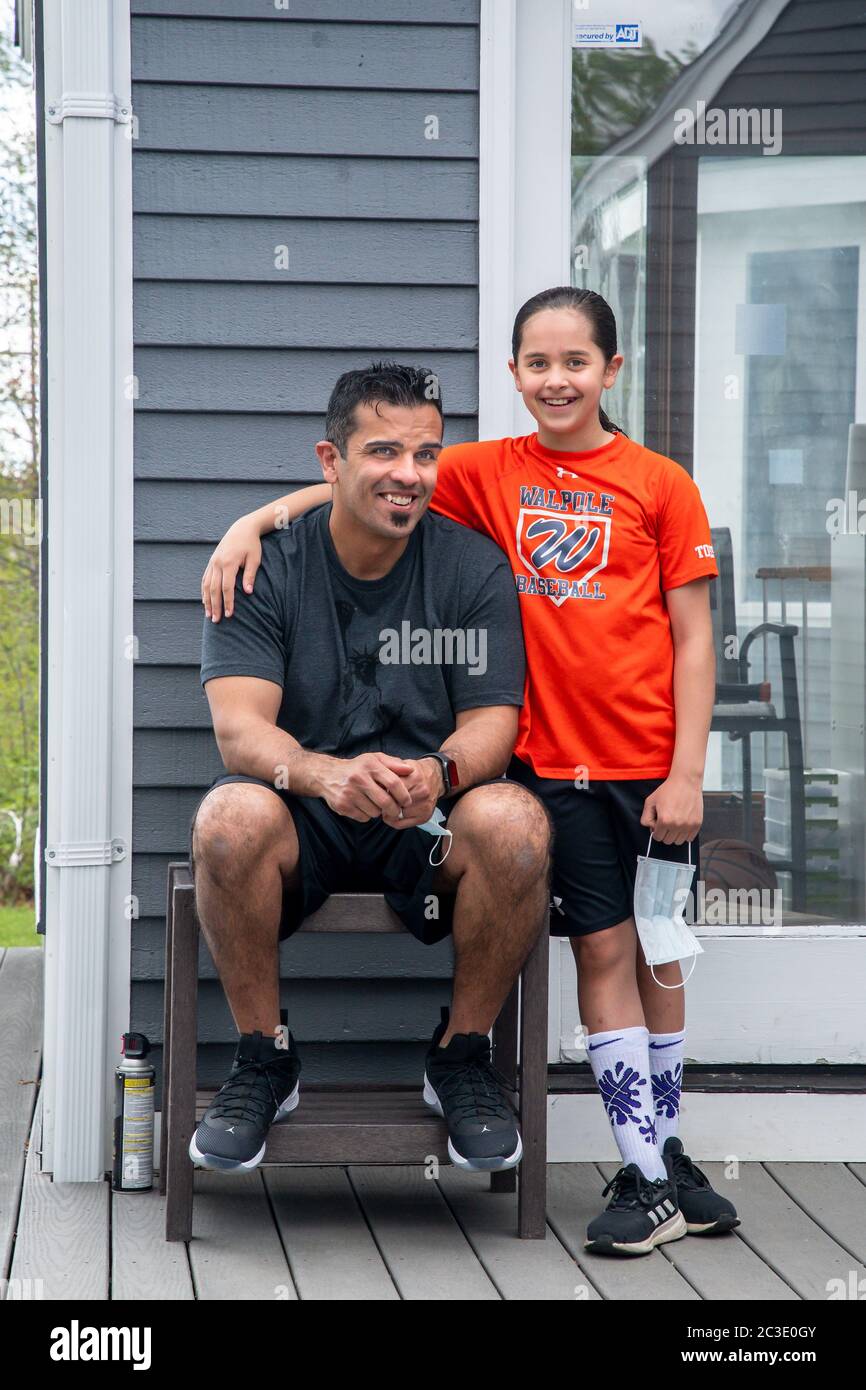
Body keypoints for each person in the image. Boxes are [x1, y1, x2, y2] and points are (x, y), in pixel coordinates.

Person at [201, 288, 741, 1256]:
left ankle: (647, 1150)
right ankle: (645, 1171)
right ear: (512, 374)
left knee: (653, 952)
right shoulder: (485, 474)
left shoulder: (654, 485)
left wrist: (684, 768)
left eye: (576, 362)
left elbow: (687, 642)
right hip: (533, 771)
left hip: (637, 768)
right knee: (606, 955)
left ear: (612, 371)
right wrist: (256, 519)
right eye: (535, 363)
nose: (555, 379)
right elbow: (362, 493)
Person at [187, 361, 552, 1179]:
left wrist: (440, 773)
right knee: (228, 817)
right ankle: (264, 1057)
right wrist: (323, 776)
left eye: (426, 456)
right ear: (331, 461)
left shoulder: (471, 567)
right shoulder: (266, 566)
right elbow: (240, 731)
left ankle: (461, 1057)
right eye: (384, 451)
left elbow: (495, 721)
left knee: (518, 823)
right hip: (304, 815)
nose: (408, 474)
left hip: (420, 820)